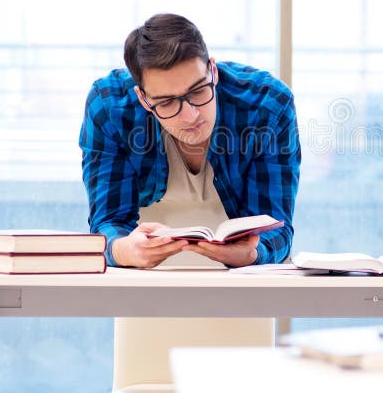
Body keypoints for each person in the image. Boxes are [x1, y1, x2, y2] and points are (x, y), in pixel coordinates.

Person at [79, 13, 300, 268]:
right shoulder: (109, 108)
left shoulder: (268, 106)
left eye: (198, 90)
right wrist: (122, 250)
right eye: (167, 102)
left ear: (213, 71)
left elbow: (277, 227)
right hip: (142, 284)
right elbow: (107, 222)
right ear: (143, 99)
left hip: (242, 283)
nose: (190, 114)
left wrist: (253, 254)